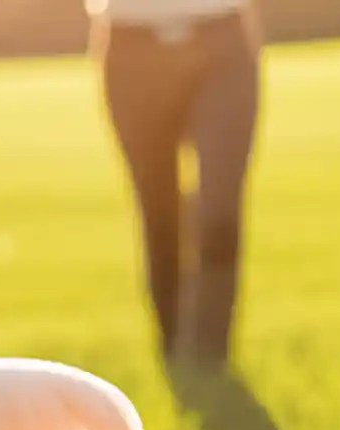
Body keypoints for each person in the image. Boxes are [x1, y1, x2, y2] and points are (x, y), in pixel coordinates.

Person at [89, 0, 262, 370]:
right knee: (158, 214)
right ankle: (174, 353)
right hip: (130, 45)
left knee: (219, 213)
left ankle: (210, 357)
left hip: (221, 36)